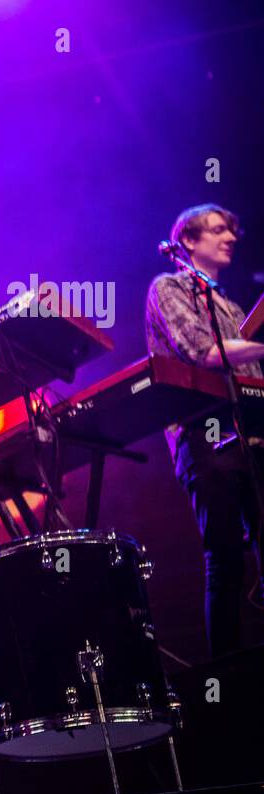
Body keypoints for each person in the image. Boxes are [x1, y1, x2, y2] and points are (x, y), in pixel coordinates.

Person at [145, 204, 264, 657]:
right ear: (188, 241)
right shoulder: (169, 288)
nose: (230, 237)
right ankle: (227, 679)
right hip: (205, 435)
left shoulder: (230, 305)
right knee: (226, 556)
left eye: (232, 231)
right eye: (218, 230)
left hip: (250, 435)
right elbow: (202, 351)